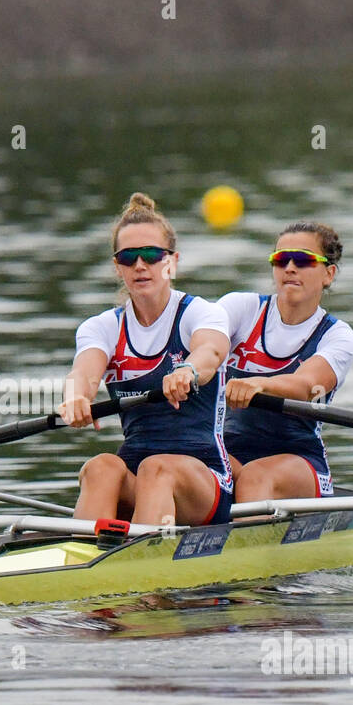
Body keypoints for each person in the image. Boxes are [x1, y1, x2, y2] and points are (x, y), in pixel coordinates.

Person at [59, 193, 233, 526]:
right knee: (100, 466)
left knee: (158, 467)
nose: (140, 265)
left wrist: (188, 370)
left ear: (172, 262)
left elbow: (210, 352)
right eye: (128, 257)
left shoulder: (200, 313)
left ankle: (134, 556)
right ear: (117, 267)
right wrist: (76, 398)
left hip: (204, 477)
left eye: (152, 255)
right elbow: (83, 373)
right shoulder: (102, 327)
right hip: (138, 471)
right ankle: (78, 559)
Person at [220, 221, 353, 501]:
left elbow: (306, 386)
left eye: (304, 260)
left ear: (328, 274)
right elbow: (200, 345)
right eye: (281, 260)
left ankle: (249, 541)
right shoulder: (240, 309)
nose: (290, 268)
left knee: (255, 476)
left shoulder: (339, 336)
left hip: (299, 462)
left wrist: (259, 383)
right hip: (228, 457)